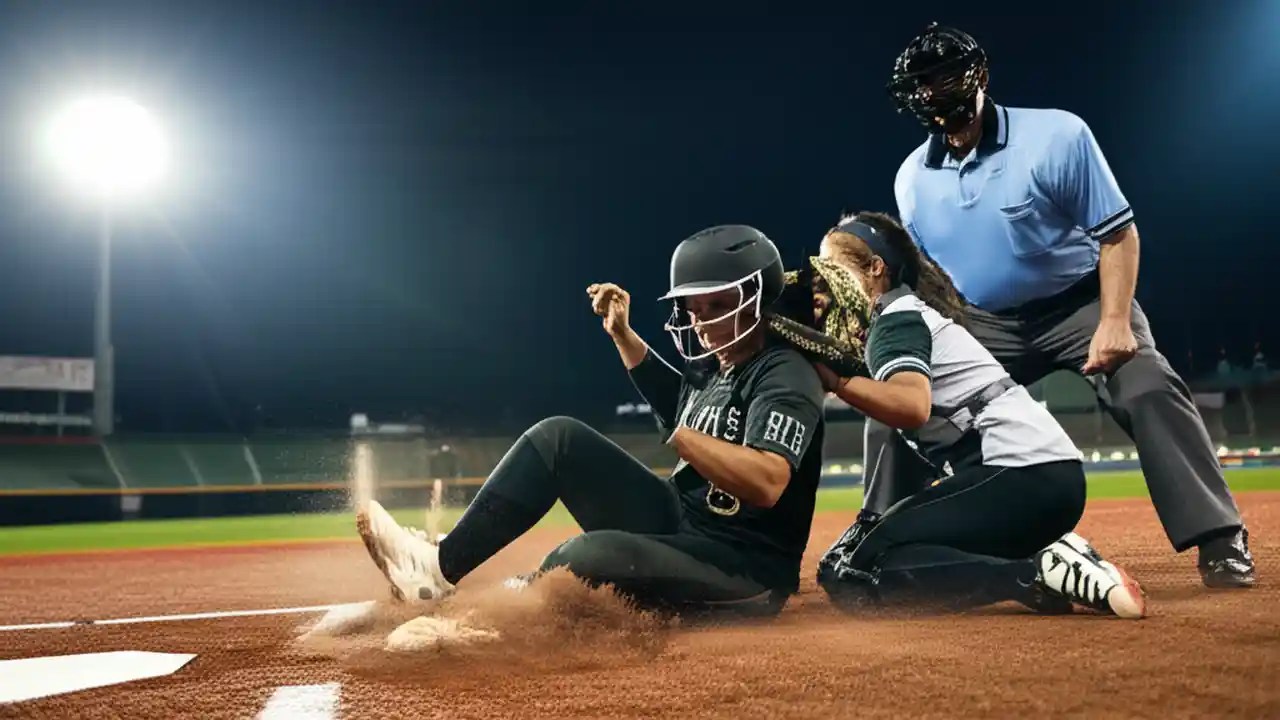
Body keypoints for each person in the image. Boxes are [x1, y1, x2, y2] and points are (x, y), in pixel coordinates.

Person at [882, 23, 1253, 587]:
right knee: (902, 399)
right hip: (983, 321)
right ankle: (875, 536)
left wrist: (1112, 321)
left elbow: (1118, 234)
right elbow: (933, 277)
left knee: (1148, 386)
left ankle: (1221, 537)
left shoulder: (1055, 136)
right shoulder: (911, 179)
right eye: (922, 84)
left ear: (978, 75)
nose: (933, 92)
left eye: (943, 77)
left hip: (1080, 306)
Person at [355, 225, 826, 617]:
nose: (699, 322)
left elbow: (768, 481)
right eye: (692, 307)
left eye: (715, 306)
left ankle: (502, 611)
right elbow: (676, 399)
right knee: (558, 438)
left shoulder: (786, 371)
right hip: (683, 520)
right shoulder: (717, 362)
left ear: (756, 298)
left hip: (744, 567)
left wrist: (684, 438)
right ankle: (438, 569)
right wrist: (623, 334)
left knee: (577, 558)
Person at [808, 211, 1146, 619]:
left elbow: (911, 407)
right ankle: (1044, 557)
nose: (823, 282)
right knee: (868, 566)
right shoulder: (903, 318)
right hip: (1035, 479)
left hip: (1024, 478)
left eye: (832, 268)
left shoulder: (895, 320)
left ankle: (1034, 573)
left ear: (876, 269)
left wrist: (838, 383)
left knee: (870, 569)